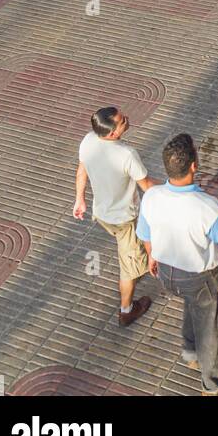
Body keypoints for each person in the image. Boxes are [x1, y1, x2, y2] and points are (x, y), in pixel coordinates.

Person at [136, 132, 218, 397]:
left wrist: (152, 257)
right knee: (211, 326)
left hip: (166, 273)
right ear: (194, 165)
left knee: (192, 310)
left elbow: (145, 236)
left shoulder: (152, 196)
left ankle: (190, 354)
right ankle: (213, 382)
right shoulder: (206, 206)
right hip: (201, 278)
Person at [74, 106, 158, 327]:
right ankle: (126, 311)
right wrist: (175, 191)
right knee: (128, 268)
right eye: (122, 121)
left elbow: (81, 170)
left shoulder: (88, 141)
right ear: (112, 133)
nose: (127, 119)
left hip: (101, 214)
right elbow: (147, 185)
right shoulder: (126, 155)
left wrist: (79, 199)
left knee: (131, 255)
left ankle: (135, 265)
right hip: (125, 220)